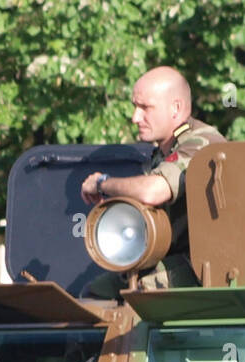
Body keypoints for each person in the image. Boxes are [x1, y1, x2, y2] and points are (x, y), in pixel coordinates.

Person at [81, 66, 225, 294]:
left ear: (175, 108)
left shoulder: (202, 142)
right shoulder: (162, 152)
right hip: (169, 259)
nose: (135, 117)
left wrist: (102, 183)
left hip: (201, 265)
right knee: (96, 293)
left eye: (145, 107)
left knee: (134, 293)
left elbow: (154, 191)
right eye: (135, 107)